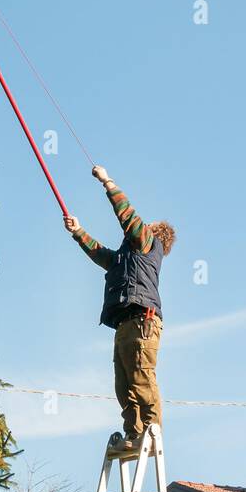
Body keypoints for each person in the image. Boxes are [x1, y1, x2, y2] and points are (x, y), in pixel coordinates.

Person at [64, 166, 176, 451]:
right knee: (123, 385)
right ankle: (134, 433)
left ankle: (152, 431)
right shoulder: (127, 258)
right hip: (125, 323)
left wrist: (107, 183)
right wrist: (78, 232)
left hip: (143, 322)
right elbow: (101, 255)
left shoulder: (148, 245)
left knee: (141, 377)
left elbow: (127, 216)